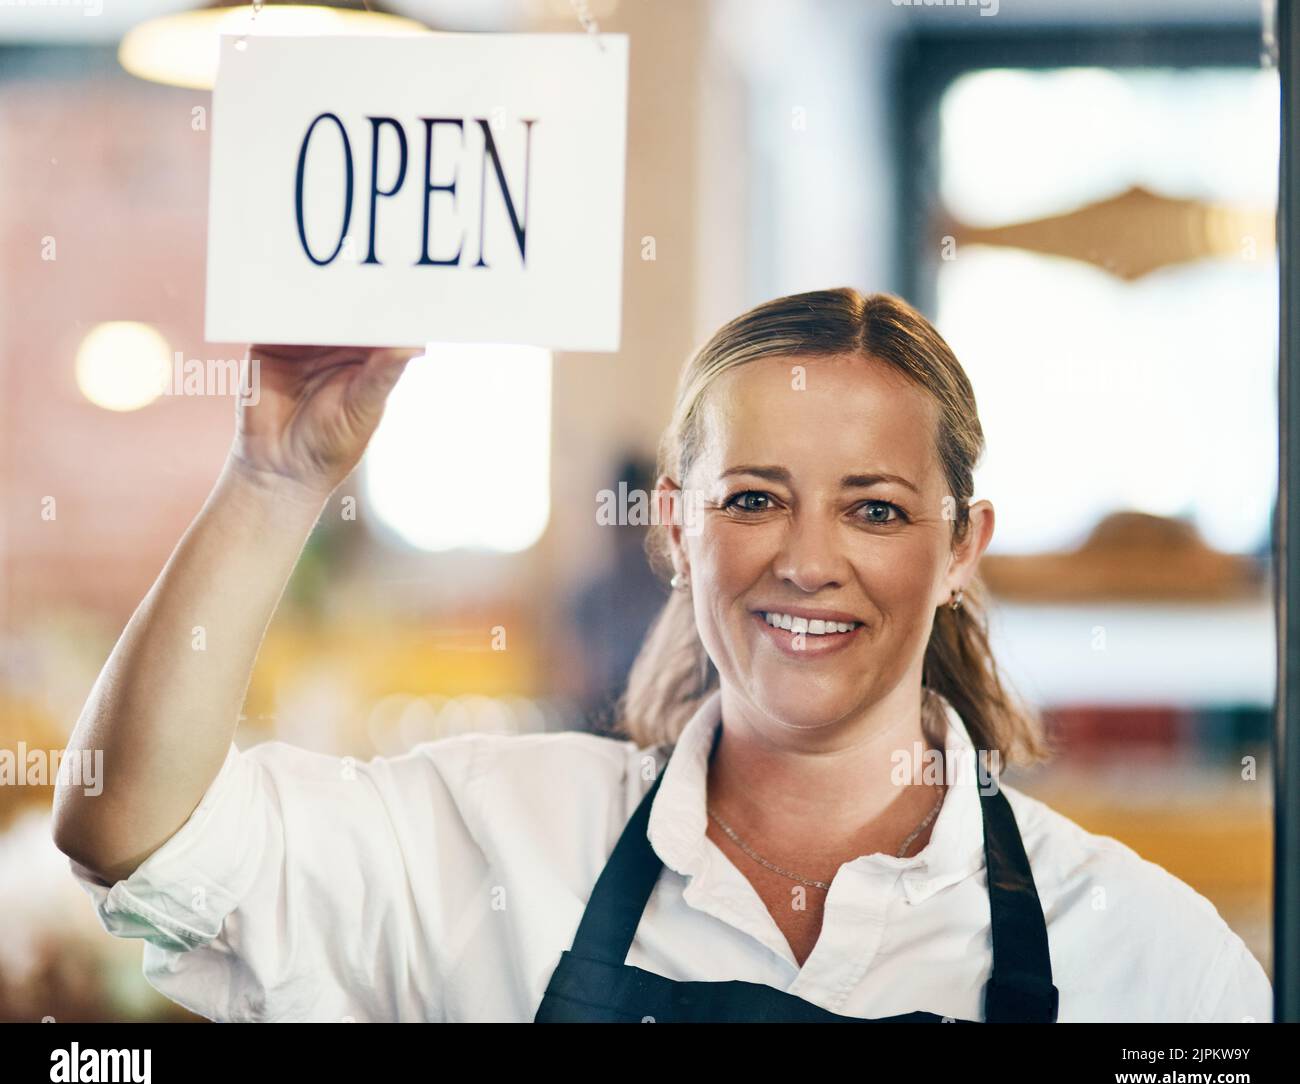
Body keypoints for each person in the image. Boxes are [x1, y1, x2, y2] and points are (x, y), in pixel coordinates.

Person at [52, 290, 1272, 1022]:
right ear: (677, 526)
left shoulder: (1147, 956)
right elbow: (136, 831)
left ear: (963, 546)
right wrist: (276, 476)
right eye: (751, 498)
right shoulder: (497, 837)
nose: (806, 559)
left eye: (877, 509)